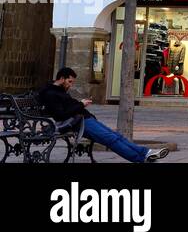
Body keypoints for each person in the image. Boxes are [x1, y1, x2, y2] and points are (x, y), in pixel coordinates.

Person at [38, 67, 168, 163]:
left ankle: (146, 153)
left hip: (85, 119)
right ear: (61, 79)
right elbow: (61, 115)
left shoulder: (59, 91)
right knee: (111, 140)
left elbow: (68, 107)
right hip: (79, 123)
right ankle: (142, 159)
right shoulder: (51, 94)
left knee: (116, 136)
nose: (70, 85)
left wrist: (81, 106)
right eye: (70, 82)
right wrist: (81, 105)